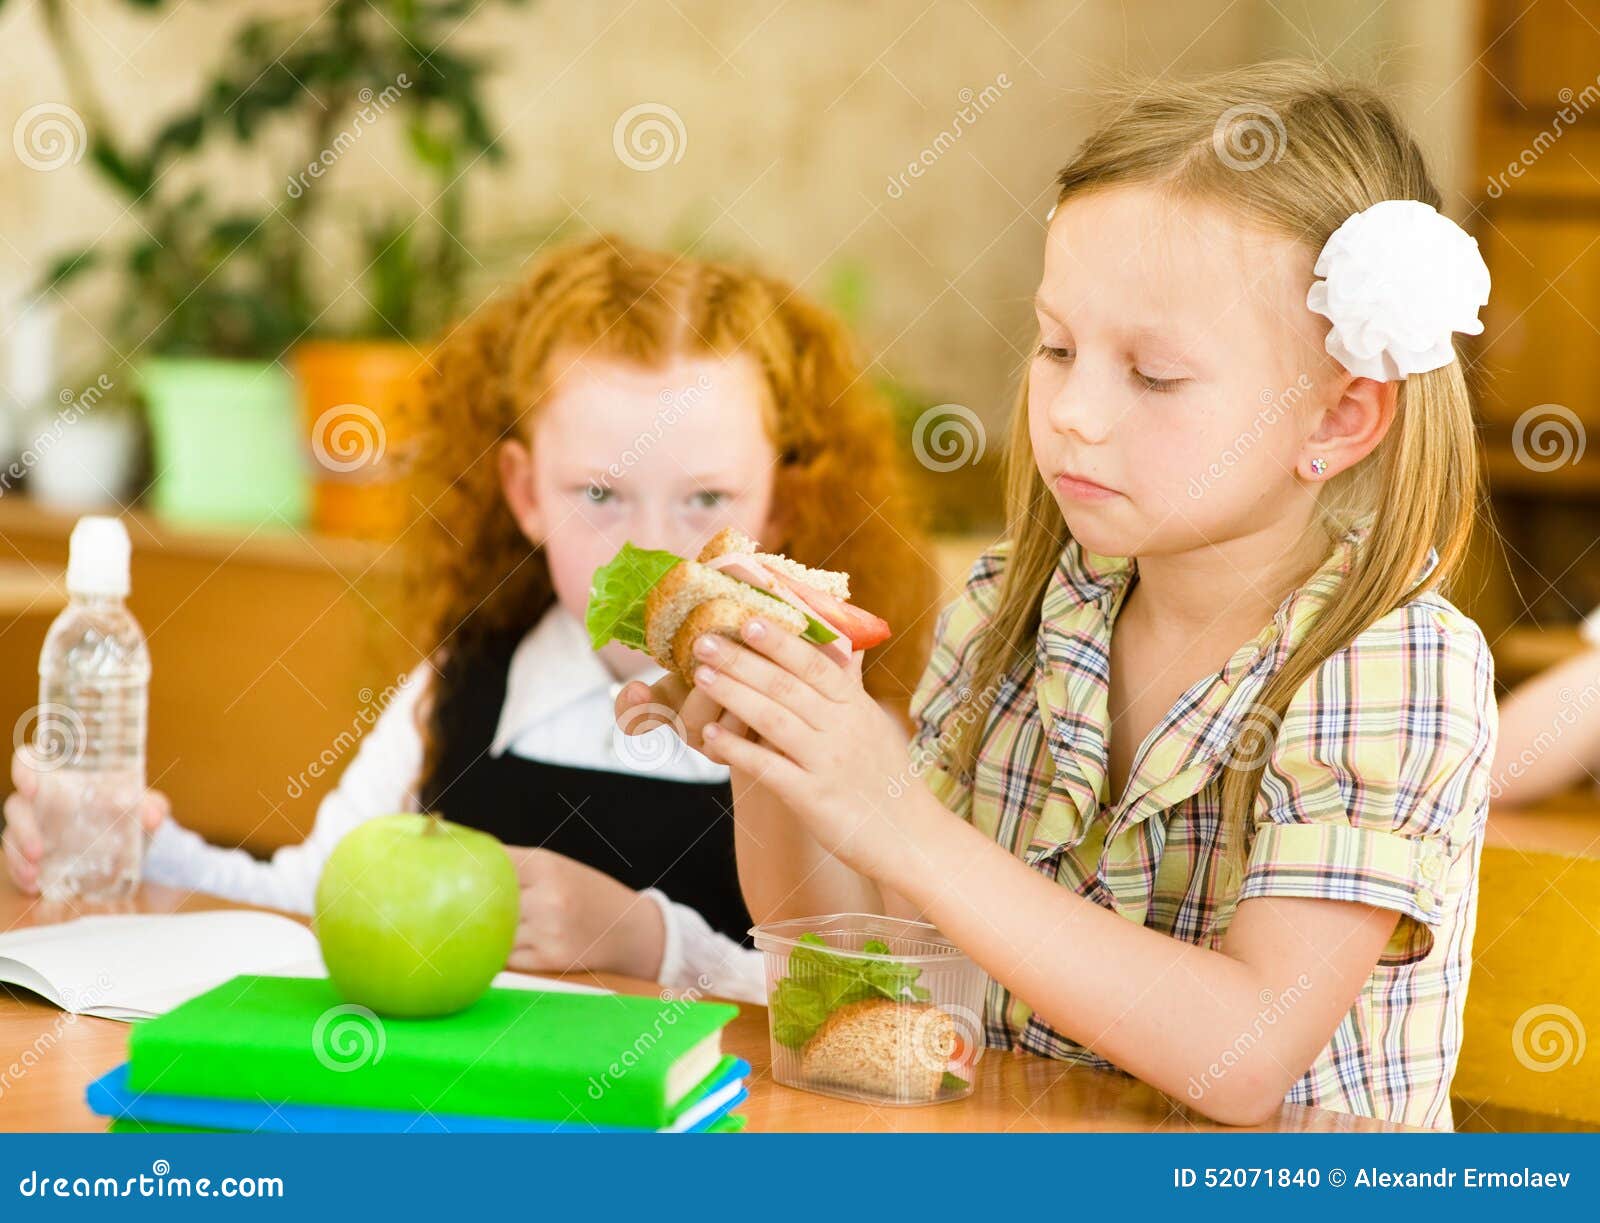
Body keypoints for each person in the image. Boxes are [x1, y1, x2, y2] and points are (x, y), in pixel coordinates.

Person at [620, 64, 1498, 1126]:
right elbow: (873, 981)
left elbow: (1245, 1053)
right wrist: (779, 758)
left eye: (1154, 374)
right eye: (1056, 345)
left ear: (1336, 420)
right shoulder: (1007, 615)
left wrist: (897, 813)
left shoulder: (1392, 662)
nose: (1074, 410)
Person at [4, 236, 938, 1004]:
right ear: (525, 493)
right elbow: (312, 901)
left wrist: (650, 940)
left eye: (706, 500)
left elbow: (875, 1011)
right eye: (600, 495)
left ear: (775, 508)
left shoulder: (841, 725)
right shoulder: (459, 684)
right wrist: (138, 848)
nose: (655, 556)